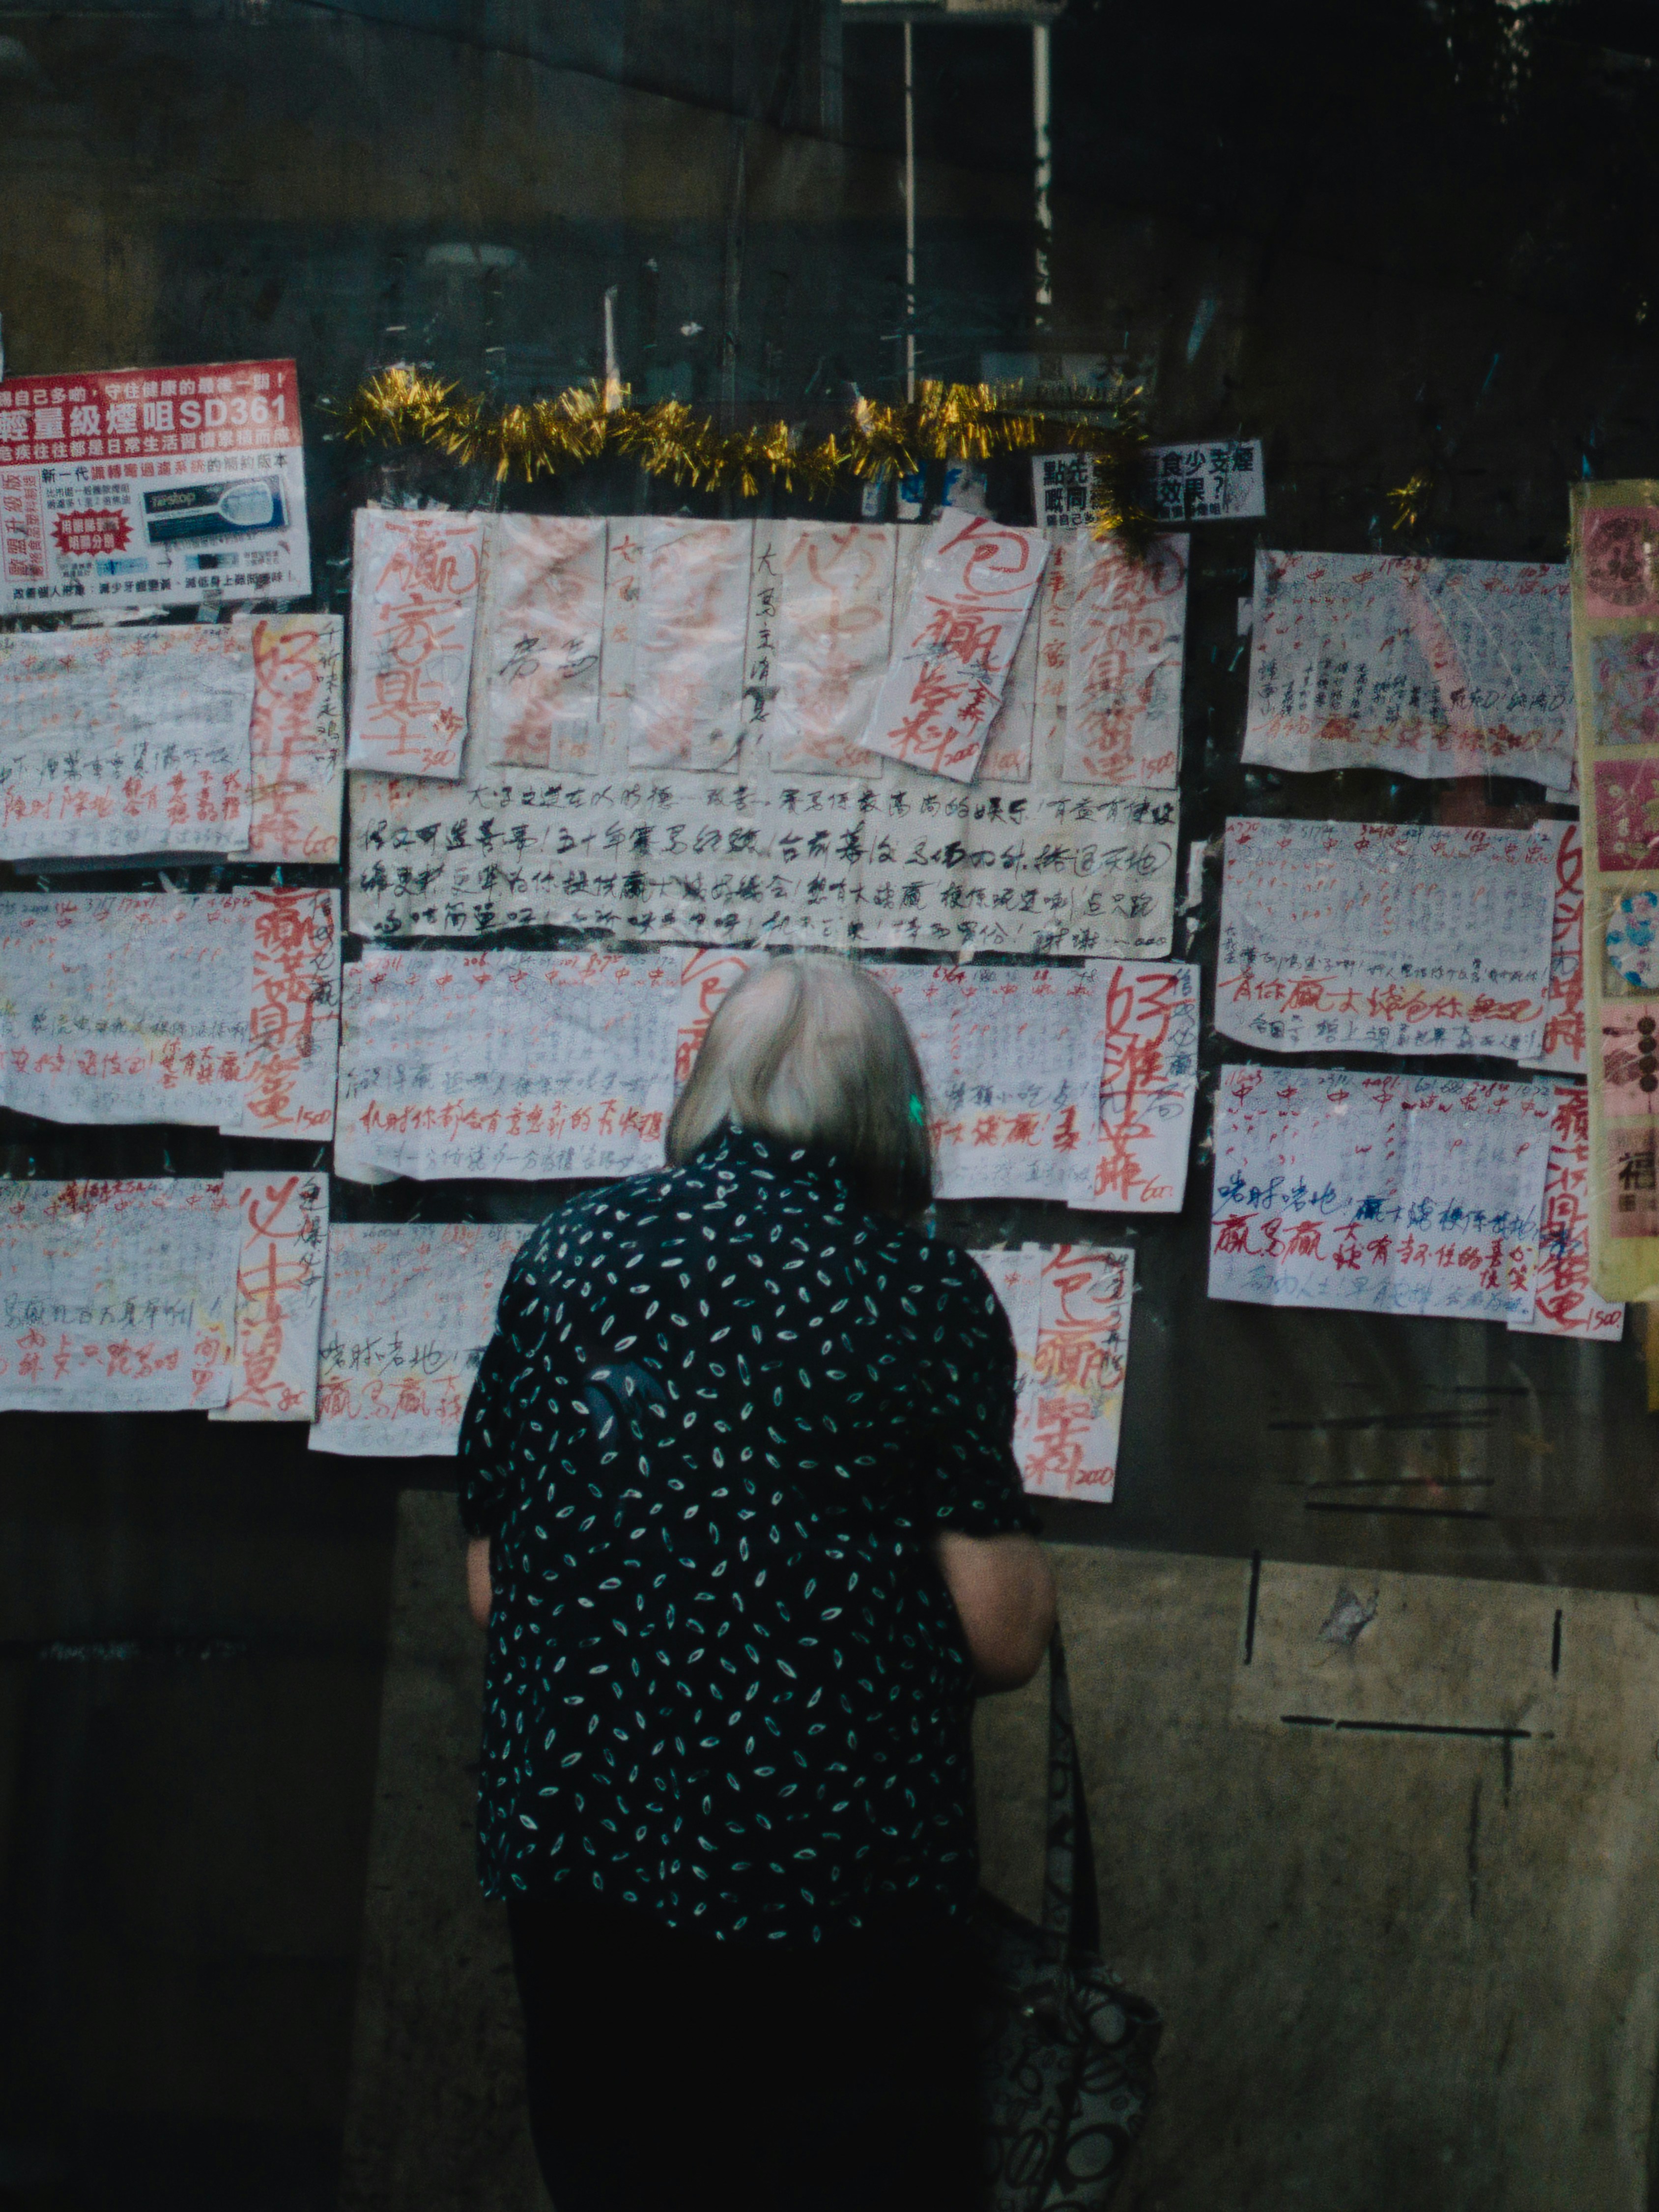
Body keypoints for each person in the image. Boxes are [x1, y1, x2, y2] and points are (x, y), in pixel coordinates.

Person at [458, 954, 1057, 2212]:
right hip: (832, 1865)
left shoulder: (566, 1256)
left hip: (580, 1839)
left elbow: (490, 1585)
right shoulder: (921, 1291)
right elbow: (1000, 1637)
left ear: (707, 1089)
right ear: (890, 1110)